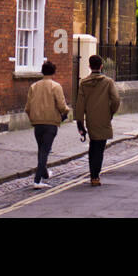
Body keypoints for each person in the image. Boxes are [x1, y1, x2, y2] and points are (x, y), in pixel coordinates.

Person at [75, 54, 120, 186]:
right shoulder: (108, 82)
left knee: (93, 146)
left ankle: (93, 175)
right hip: (104, 118)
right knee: (100, 148)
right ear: (101, 66)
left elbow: (80, 105)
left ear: (89, 66)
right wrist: (111, 112)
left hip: (91, 119)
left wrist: (80, 123)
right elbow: (116, 100)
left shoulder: (83, 83)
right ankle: (95, 177)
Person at [25, 60, 69, 189]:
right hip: (50, 123)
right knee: (45, 151)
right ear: (54, 72)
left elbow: (27, 107)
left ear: (42, 71)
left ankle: (44, 173)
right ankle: (37, 180)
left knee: (41, 149)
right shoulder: (56, 86)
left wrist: (33, 117)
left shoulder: (34, 86)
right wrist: (66, 112)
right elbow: (62, 106)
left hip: (37, 123)